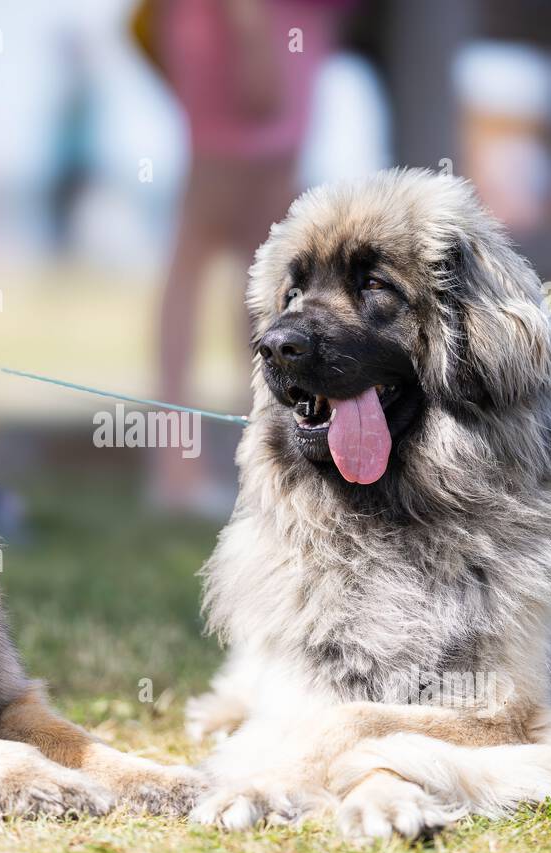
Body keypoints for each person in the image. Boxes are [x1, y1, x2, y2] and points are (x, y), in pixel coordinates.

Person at [147, 0, 343, 513]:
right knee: (210, 238)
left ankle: (259, 454)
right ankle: (179, 468)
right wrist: (251, 30)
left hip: (286, 25)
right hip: (250, 25)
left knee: (266, 253)